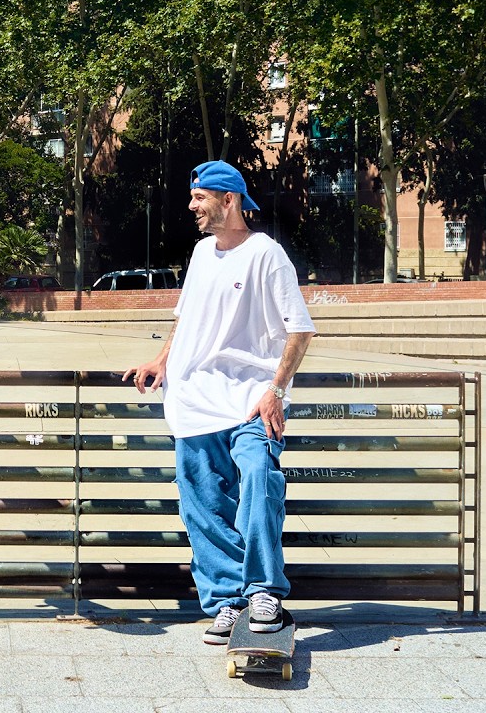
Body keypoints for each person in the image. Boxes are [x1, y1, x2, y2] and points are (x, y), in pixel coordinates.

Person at [122, 160, 315, 644]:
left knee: (260, 481)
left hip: (251, 401)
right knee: (203, 505)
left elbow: (300, 330)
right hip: (192, 401)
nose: (192, 206)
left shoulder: (266, 254)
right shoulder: (201, 253)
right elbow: (186, 318)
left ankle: (263, 592)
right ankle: (228, 601)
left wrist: (276, 391)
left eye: (200, 197)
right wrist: (161, 360)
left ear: (229, 200)